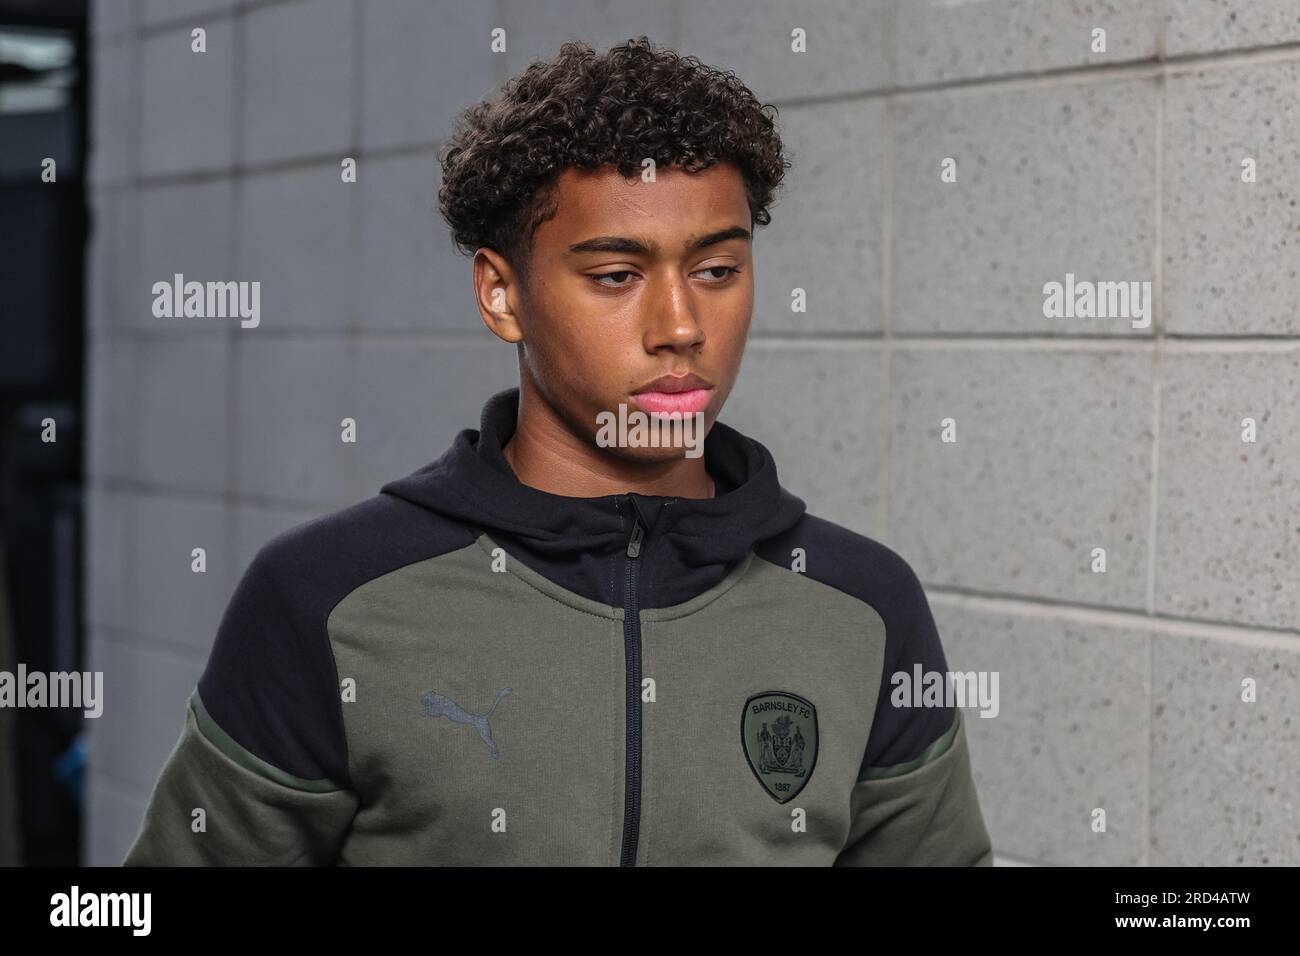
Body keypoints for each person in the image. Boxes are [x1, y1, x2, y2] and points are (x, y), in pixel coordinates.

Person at [123, 36, 992, 867]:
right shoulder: (329, 595)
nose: (681, 326)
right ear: (503, 295)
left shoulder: (861, 605)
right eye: (617, 276)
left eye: (717, 270)